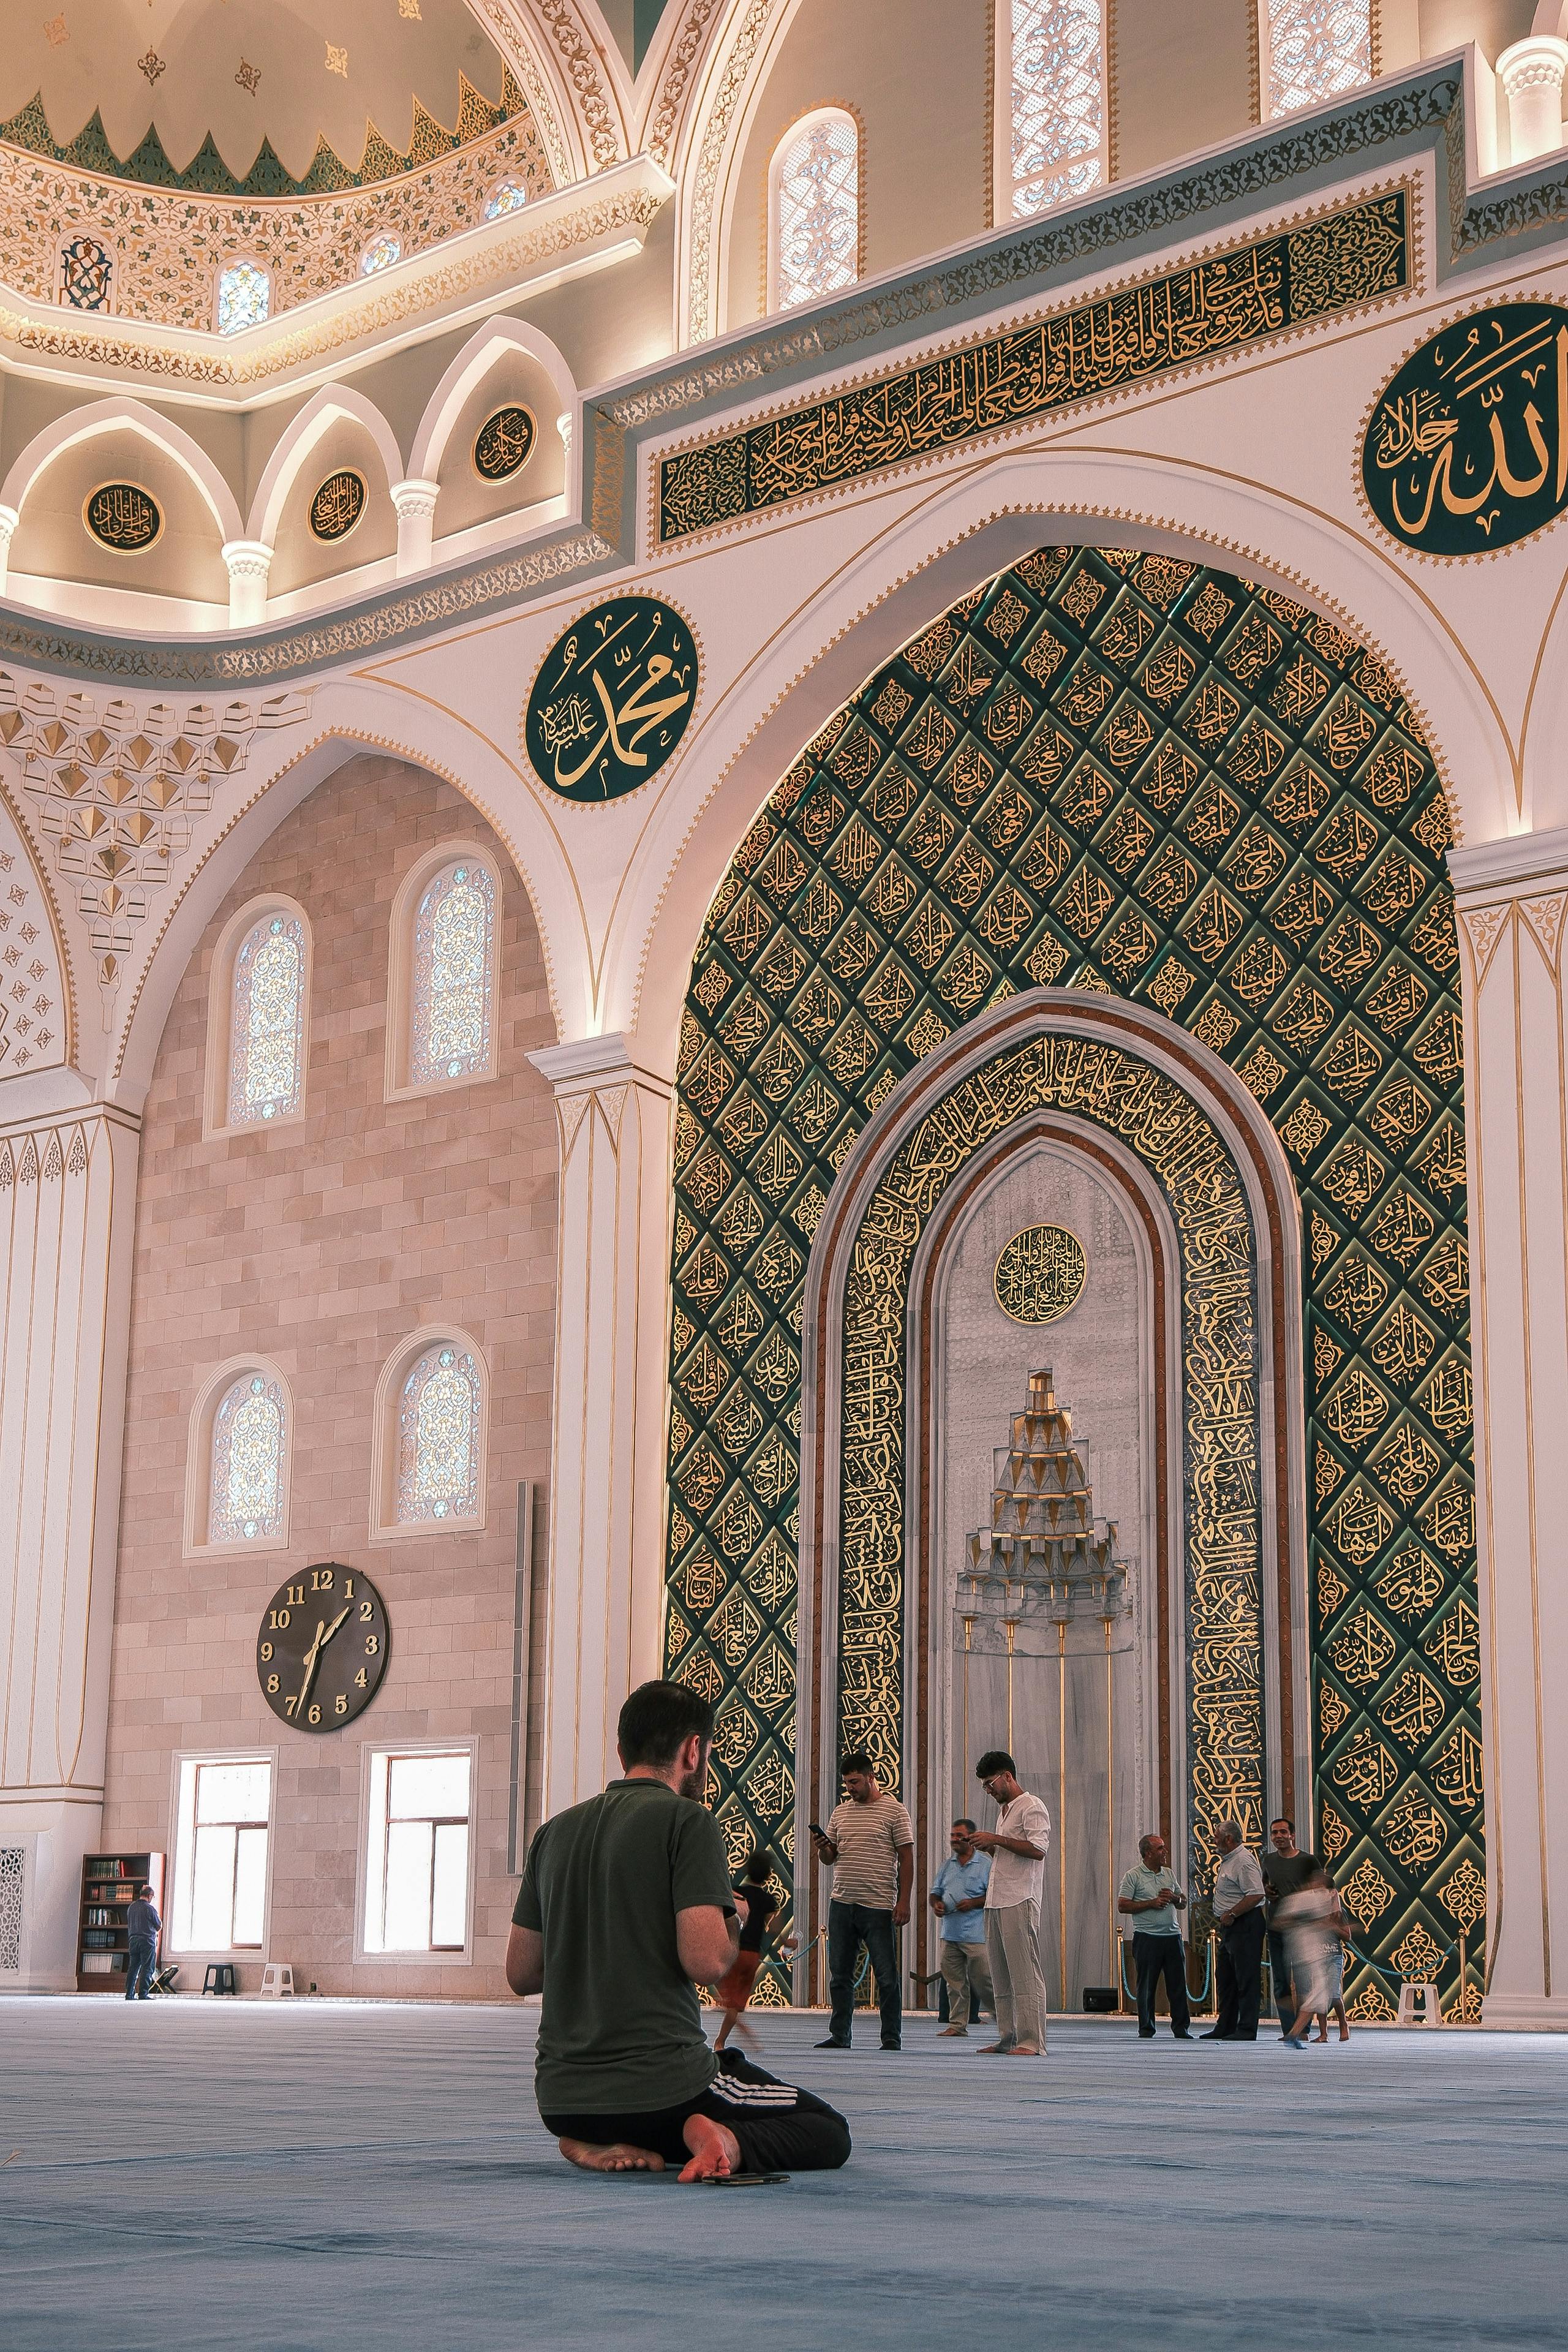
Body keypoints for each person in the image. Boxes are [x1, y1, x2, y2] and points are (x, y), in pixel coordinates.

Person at [506, 1679, 850, 2179]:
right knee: (827, 2130)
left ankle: (594, 2140)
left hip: (562, 2099)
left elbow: (521, 1973)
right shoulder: (688, 1822)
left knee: (637, 2115)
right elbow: (706, 1961)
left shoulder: (552, 1833)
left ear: (622, 1752)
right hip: (665, 2090)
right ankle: (719, 2136)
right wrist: (735, 1918)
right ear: (693, 1750)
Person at [812, 1751, 914, 2051]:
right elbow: (829, 1859)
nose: (850, 1788)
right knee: (839, 1975)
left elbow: (907, 1859)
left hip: (878, 1906)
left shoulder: (895, 1811)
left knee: (886, 1976)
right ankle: (840, 2036)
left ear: (871, 1777)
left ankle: (891, 2037)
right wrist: (823, 1847)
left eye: (855, 1782)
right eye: (846, 1783)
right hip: (842, 1903)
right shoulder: (840, 1813)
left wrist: (904, 1902)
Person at [971, 1751, 1050, 2057]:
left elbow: (1038, 1850)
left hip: (1021, 1897)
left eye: (990, 1784)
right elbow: (1009, 1856)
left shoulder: (1032, 1806)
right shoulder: (1005, 1810)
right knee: (1001, 1975)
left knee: (1025, 1973)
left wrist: (998, 1840)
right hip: (997, 1898)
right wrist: (992, 1846)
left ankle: (1032, 2041)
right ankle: (1008, 2037)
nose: (989, 1791)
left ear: (1008, 1776)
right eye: (985, 1787)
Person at [713, 1849, 797, 2051]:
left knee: (725, 1997)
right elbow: (775, 1929)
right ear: (768, 1875)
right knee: (734, 2004)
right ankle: (734, 2028)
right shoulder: (767, 1900)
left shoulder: (735, 1893)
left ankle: (720, 2041)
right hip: (752, 1957)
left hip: (732, 1952)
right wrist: (788, 1943)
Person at [1117, 1833, 1193, 2040]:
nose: (1165, 1851)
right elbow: (1123, 1905)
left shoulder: (1169, 1874)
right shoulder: (1133, 1876)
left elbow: (1184, 1902)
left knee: (1178, 1986)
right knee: (1147, 1987)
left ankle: (1181, 2028)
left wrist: (1175, 1897)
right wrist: (1151, 1903)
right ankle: (1147, 2029)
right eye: (1160, 1848)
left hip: (1172, 1937)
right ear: (1148, 1853)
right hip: (1147, 1938)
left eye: (1164, 1847)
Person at [1201, 1817, 1267, 2041]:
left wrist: (1232, 1914)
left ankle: (1247, 2029)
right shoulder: (1229, 1860)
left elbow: (1257, 1894)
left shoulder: (1243, 1861)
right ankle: (1226, 2026)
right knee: (1227, 1977)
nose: (1214, 1840)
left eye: (1217, 1837)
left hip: (1245, 1924)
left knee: (1246, 1978)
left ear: (1228, 1839)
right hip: (1232, 1927)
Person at [929, 1819, 993, 2037]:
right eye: (952, 1836)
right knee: (954, 1983)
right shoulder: (948, 1865)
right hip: (950, 1934)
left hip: (977, 1936)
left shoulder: (986, 1864)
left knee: (985, 1982)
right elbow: (935, 1892)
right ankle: (957, 2025)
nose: (954, 1840)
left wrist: (973, 1903)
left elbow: (995, 1895)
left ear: (972, 1838)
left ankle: (1006, 2021)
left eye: (959, 1836)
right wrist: (936, 1904)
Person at [1278, 1864, 1351, 2048]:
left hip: (1321, 1956)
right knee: (1314, 1997)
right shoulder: (1302, 1900)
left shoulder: (1318, 1899)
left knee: (1318, 1996)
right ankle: (1299, 2031)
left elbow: (1339, 1921)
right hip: (1306, 1954)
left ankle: (1295, 2033)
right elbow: (1282, 1921)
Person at [1259, 1815, 1321, 2021]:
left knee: (1304, 1981)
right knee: (1281, 1981)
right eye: (1275, 1833)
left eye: (1283, 1832)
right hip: (1277, 1927)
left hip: (1303, 1930)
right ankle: (1288, 2028)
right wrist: (1267, 1891)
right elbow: (1263, 1885)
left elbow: (1324, 1889)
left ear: (1292, 1835)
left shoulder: (1308, 1860)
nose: (1278, 1836)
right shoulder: (1268, 1860)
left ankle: (1302, 2029)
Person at [124, 1882, 160, 2002]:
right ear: (149, 1896)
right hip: (147, 1941)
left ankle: (129, 1994)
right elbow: (158, 1925)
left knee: (133, 1968)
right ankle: (143, 1994)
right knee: (147, 1967)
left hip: (133, 1940)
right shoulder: (149, 1909)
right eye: (152, 1897)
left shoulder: (132, 1907)